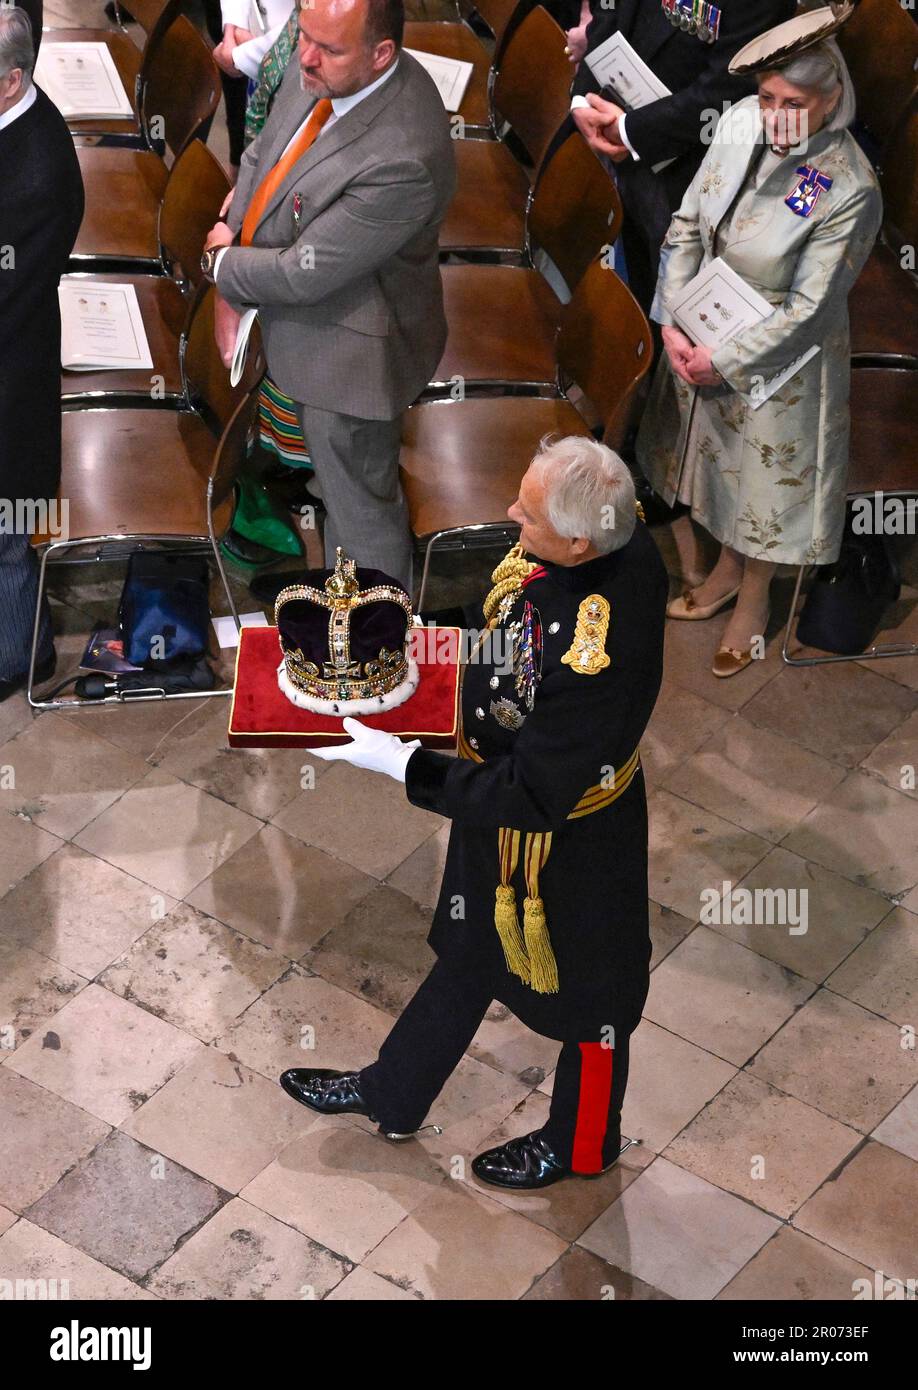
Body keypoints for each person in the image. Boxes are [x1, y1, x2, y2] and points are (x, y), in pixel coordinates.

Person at [280, 437, 669, 1190]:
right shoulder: (605, 529)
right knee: (469, 949)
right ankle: (394, 1094)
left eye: (529, 512)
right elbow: (519, 648)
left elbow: (532, 794)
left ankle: (584, 1145)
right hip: (510, 787)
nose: (511, 513)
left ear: (582, 540)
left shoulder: (598, 657)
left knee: (596, 1001)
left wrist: (406, 767)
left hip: (574, 837)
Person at [635, 12, 882, 678]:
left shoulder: (844, 184)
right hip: (707, 319)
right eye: (768, 98)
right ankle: (720, 572)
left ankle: (754, 598)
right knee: (715, 469)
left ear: (832, 99)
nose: (775, 117)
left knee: (763, 488)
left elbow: (809, 308)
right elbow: (688, 221)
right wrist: (675, 318)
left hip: (783, 353)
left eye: (794, 105)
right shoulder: (741, 120)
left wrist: (725, 358)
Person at [201, 0, 455, 596]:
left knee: (360, 509)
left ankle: (375, 643)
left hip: (356, 356)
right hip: (307, 312)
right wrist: (235, 234)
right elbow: (262, 153)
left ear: (381, 54)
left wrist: (222, 264)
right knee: (331, 483)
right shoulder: (325, 58)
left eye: (328, 48)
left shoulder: (403, 157)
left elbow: (300, 274)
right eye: (305, 39)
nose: (305, 59)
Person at [568, 0, 795, 315]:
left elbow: (727, 91)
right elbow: (608, 11)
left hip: (688, 168)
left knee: (667, 302)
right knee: (629, 270)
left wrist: (629, 130)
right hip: (615, 120)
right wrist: (584, 95)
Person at [0, 6, 84, 699]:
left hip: (10, 383)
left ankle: (18, 657)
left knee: (5, 538)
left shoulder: (36, 172)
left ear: (12, 79)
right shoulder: (14, 115)